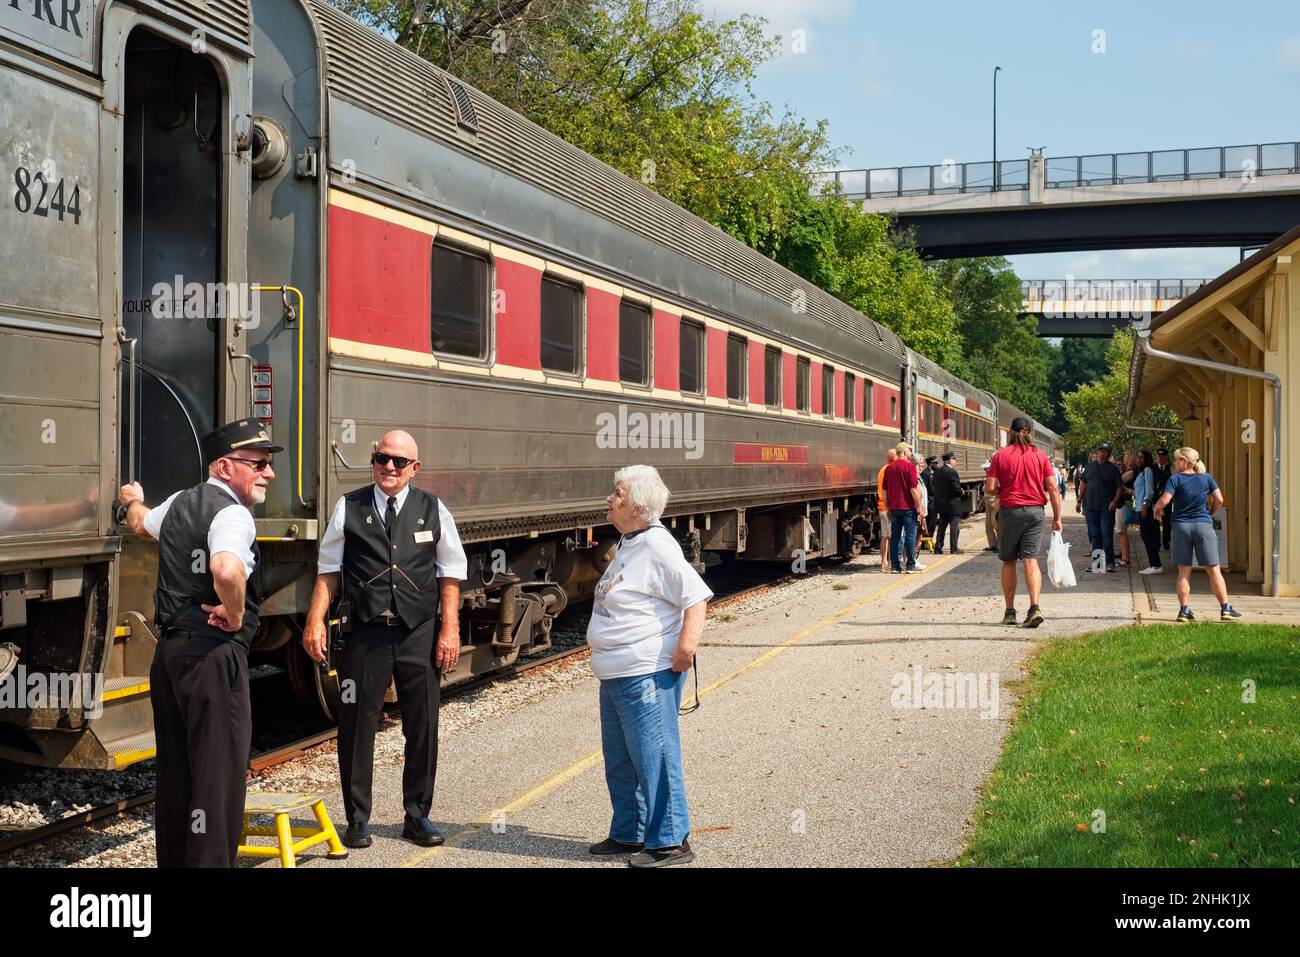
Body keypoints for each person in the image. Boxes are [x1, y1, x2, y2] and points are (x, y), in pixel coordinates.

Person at [116, 419, 280, 867]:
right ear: (226, 467)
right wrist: (236, 610)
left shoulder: (178, 503)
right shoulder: (232, 514)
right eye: (260, 464)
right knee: (218, 781)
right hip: (212, 656)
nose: (269, 473)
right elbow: (226, 569)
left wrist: (129, 501)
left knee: (177, 776)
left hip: (169, 656)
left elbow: (140, 526)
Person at [303, 430, 467, 850]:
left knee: (423, 723)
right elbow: (328, 571)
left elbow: (450, 573)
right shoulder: (349, 506)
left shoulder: (433, 509)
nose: (388, 467)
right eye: (381, 459)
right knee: (357, 725)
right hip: (365, 633)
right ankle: (357, 820)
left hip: (418, 632)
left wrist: (449, 628)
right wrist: (315, 621)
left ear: (415, 468)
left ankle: (417, 816)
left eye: (398, 461)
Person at [587, 466, 712, 867]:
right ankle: (631, 831)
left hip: (646, 673)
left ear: (638, 506)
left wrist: (685, 648)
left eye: (618, 494)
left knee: (655, 757)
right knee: (622, 760)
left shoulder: (658, 545)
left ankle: (671, 841)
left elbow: (695, 597)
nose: (610, 499)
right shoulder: (630, 541)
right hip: (617, 673)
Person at [986, 417, 1063, 628]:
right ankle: (1034, 607)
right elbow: (1053, 488)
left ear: (1010, 431)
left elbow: (990, 487)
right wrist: (1057, 518)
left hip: (1010, 512)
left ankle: (1010, 612)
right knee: (1030, 559)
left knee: (1009, 561)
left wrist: (1005, 490)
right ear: (1029, 432)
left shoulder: (1000, 455)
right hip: (1035, 513)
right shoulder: (1040, 456)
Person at [1152, 447, 1242, 622]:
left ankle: (1184, 611)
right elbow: (1219, 499)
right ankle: (1225, 610)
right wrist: (1210, 514)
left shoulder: (1175, 479)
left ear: (1185, 461)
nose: (1174, 463)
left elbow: (1165, 500)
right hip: (1203, 526)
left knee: (1184, 572)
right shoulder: (1206, 478)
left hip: (1181, 527)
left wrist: (1157, 508)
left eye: (1177, 460)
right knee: (1214, 570)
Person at [1077, 442, 1123, 572]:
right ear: (1097, 452)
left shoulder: (1113, 469)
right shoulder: (1090, 466)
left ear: (1108, 454)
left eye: (1106, 451)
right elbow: (1083, 483)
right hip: (1091, 507)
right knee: (1095, 536)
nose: (1103, 453)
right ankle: (1097, 565)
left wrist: (1115, 501)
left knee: (1107, 536)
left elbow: (1119, 486)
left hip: (1106, 508)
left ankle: (1110, 564)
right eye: (1101, 451)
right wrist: (1079, 500)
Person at [882, 443, 924, 573]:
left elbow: (884, 491)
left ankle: (895, 566)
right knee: (910, 536)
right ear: (904, 452)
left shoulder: (889, 468)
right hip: (908, 508)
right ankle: (910, 565)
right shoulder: (910, 467)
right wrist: (919, 506)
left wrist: (888, 507)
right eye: (909, 450)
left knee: (895, 536)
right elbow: (912, 489)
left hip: (894, 508)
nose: (911, 453)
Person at [1132, 449, 1163, 575]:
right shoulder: (1140, 473)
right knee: (1145, 536)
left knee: (1149, 536)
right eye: (1138, 457)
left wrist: (1145, 505)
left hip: (1147, 509)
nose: (1139, 460)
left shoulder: (1147, 471)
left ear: (1147, 460)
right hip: (1140, 508)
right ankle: (1152, 564)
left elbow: (1149, 490)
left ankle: (1156, 565)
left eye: (1141, 458)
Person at [932, 452, 963, 554]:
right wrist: (961, 491)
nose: (955, 461)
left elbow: (934, 486)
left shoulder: (937, 472)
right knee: (954, 526)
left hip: (941, 504)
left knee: (942, 526)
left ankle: (938, 547)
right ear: (950, 460)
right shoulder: (952, 472)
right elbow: (956, 488)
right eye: (954, 459)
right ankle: (953, 549)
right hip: (952, 504)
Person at [876, 448, 896, 571]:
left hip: (882, 506)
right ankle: (889, 562)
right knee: (892, 536)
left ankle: (884, 562)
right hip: (888, 507)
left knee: (885, 536)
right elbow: (887, 490)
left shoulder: (882, 469)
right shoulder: (889, 470)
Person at [1114, 453, 1136, 568]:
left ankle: (1125, 558)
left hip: (1124, 503)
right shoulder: (1130, 471)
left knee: (1121, 531)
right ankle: (1124, 555)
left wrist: (1125, 489)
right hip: (1125, 503)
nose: (1125, 461)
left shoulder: (1130, 472)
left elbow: (1118, 482)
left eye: (1127, 459)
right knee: (1121, 531)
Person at [911, 453, 930, 568]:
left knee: (918, 537)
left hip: (921, 512)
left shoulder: (919, 477)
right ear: (914, 464)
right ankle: (912, 560)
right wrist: (920, 510)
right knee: (915, 536)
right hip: (918, 512)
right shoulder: (914, 477)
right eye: (920, 464)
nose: (922, 466)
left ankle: (913, 559)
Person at [1153, 448, 1173, 551]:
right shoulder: (1152, 468)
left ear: (1166, 457)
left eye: (1163, 456)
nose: (1161, 458)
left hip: (1167, 499)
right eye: (1159, 456)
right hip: (1155, 499)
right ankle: (1156, 543)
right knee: (1155, 521)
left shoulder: (1171, 469)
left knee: (1167, 521)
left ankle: (1166, 542)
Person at [920, 455, 939, 550]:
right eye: (935, 463)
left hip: (935, 501)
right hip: (929, 502)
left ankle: (930, 539)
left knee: (933, 522)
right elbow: (925, 489)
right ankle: (924, 541)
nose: (937, 465)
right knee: (928, 522)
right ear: (930, 464)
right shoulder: (925, 473)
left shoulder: (935, 473)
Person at [981, 459, 999, 552]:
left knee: (995, 523)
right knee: (988, 525)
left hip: (994, 501)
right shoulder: (986, 478)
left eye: (986, 468)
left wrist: (996, 500)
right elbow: (984, 492)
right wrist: (980, 504)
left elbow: (999, 490)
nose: (985, 470)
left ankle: (1001, 545)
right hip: (987, 501)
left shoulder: (996, 478)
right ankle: (992, 545)